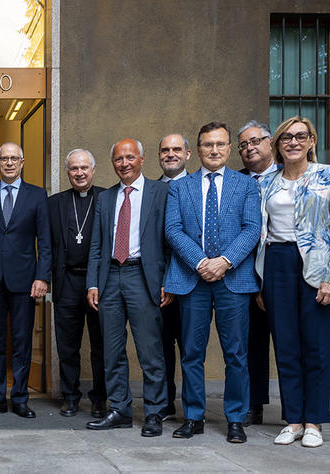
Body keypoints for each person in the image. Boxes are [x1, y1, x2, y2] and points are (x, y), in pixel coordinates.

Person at [164, 122, 261, 443]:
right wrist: (201, 262)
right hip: (194, 279)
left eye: (220, 144)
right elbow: (173, 229)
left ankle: (235, 418)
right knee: (192, 353)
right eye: (208, 144)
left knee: (236, 353)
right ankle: (194, 416)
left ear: (230, 148)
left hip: (234, 278)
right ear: (197, 150)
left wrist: (225, 261)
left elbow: (252, 228)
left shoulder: (245, 185)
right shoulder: (181, 187)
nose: (214, 150)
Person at [86, 138, 171, 437]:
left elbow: (170, 240)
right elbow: (96, 244)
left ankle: (154, 412)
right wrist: (93, 282)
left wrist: (167, 281)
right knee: (111, 351)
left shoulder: (161, 192)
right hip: (110, 276)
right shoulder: (105, 198)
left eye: (130, 157)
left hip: (143, 276)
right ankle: (120, 409)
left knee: (150, 350)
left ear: (142, 159)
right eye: (119, 159)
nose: (124, 163)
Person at [256, 116, 330, 448]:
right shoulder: (267, 182)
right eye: (286, 137)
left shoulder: (326, 176)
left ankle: (314, 421)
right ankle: (294, 420)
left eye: (301, 136)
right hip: (277, 262)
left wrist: (329, 277)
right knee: (285, 344)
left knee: (316, 346)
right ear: (278, 144)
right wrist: (260, 281)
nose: (293, 142)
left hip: (316, 264)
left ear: (312, 140)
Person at [0, 142, 50, 418]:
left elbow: (45, 242)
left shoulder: (37, 196)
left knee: (22, 342)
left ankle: (20, 399)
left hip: (24, 281)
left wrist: (42, 277)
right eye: (5, 158)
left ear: (22, 162)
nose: (10, 163)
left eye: (14, 158)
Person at [47, 149, 106, 418]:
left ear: (93, 170)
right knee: (67, 345)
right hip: (67, 280)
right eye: (74, 168)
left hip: (99, 283)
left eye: (84, 168)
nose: (79, 173)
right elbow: (46, 245)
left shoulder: (107, 198)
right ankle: (70, 397)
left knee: (100, 344)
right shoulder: (55, 203)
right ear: (67, 172)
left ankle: (100, 398)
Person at [236, 120, 280, 426]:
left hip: (283, 267)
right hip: (245, 270)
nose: (249, 148)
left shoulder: (289, 175)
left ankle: (301, 407)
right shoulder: (235, 181)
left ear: (270, 141)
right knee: (251, 341)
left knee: (291, 339)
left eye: (255, 141)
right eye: (243, 145)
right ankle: (254, 403)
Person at [157, 133, 191, 420]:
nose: (171, 154)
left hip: (193, 281)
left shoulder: (199, 186)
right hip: (159, 285)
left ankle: (193, 408)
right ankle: (165, 403)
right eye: (165, 150)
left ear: (188, 154)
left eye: (176, 149)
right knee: (162, 347)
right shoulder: (152, 190)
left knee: (191, 349)